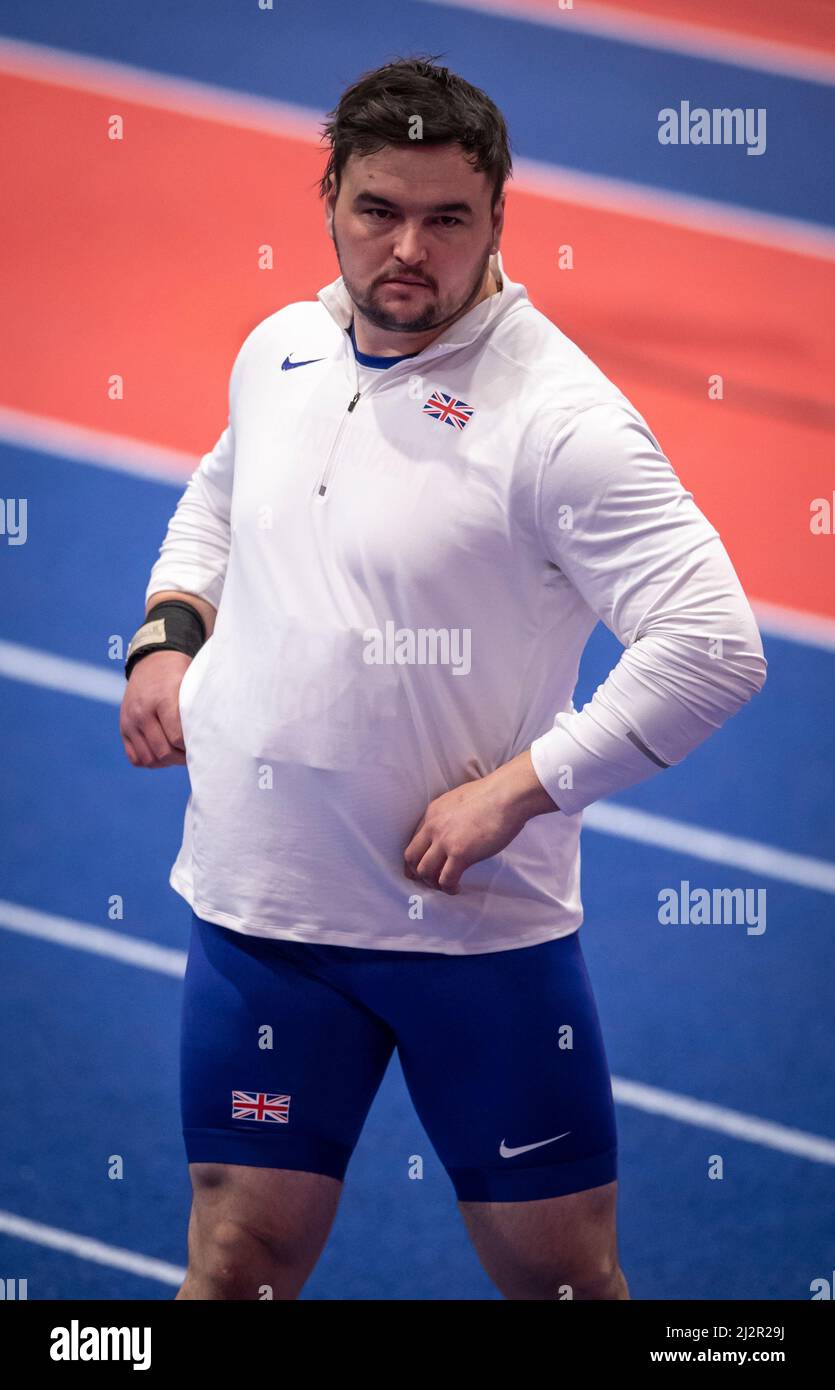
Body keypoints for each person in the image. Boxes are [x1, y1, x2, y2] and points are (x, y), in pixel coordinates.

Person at [119, 56, 767, 1301]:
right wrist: (167, 627)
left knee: (562, 1281)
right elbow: (220, 487)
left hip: (474, 936)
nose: (407, 247)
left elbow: (712, 642)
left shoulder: (560, 422)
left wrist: (525, 787)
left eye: (446, 217)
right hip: (263, 914)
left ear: (497, 222)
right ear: (329, 205)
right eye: (378, 211)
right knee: (237, 1259)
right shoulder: (286, 346)